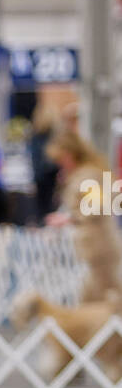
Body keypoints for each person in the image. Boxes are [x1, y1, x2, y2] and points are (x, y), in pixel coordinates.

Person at [45, 129, 122, 301]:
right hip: (93, 248)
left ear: (70, 154)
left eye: (59, 159)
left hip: (101, 248)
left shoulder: (89, 176)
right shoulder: (80, 175)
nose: (58, 164)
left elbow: (97, 207)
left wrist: (68, 218)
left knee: (107, 298)